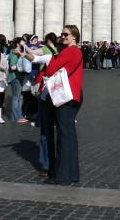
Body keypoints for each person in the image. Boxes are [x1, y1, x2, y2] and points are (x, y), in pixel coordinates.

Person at [23, 25, 84, 185]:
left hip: (65, 98)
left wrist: (50, 56)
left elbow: (51, 69)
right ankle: (72, 173)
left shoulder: (71, 51)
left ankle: (62, 176)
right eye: (61, 34)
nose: (62, 36)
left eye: (66, 34)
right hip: (71, 96)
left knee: (64, 136)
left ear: (74, 38)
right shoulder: (74, 51)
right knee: (69, 135)